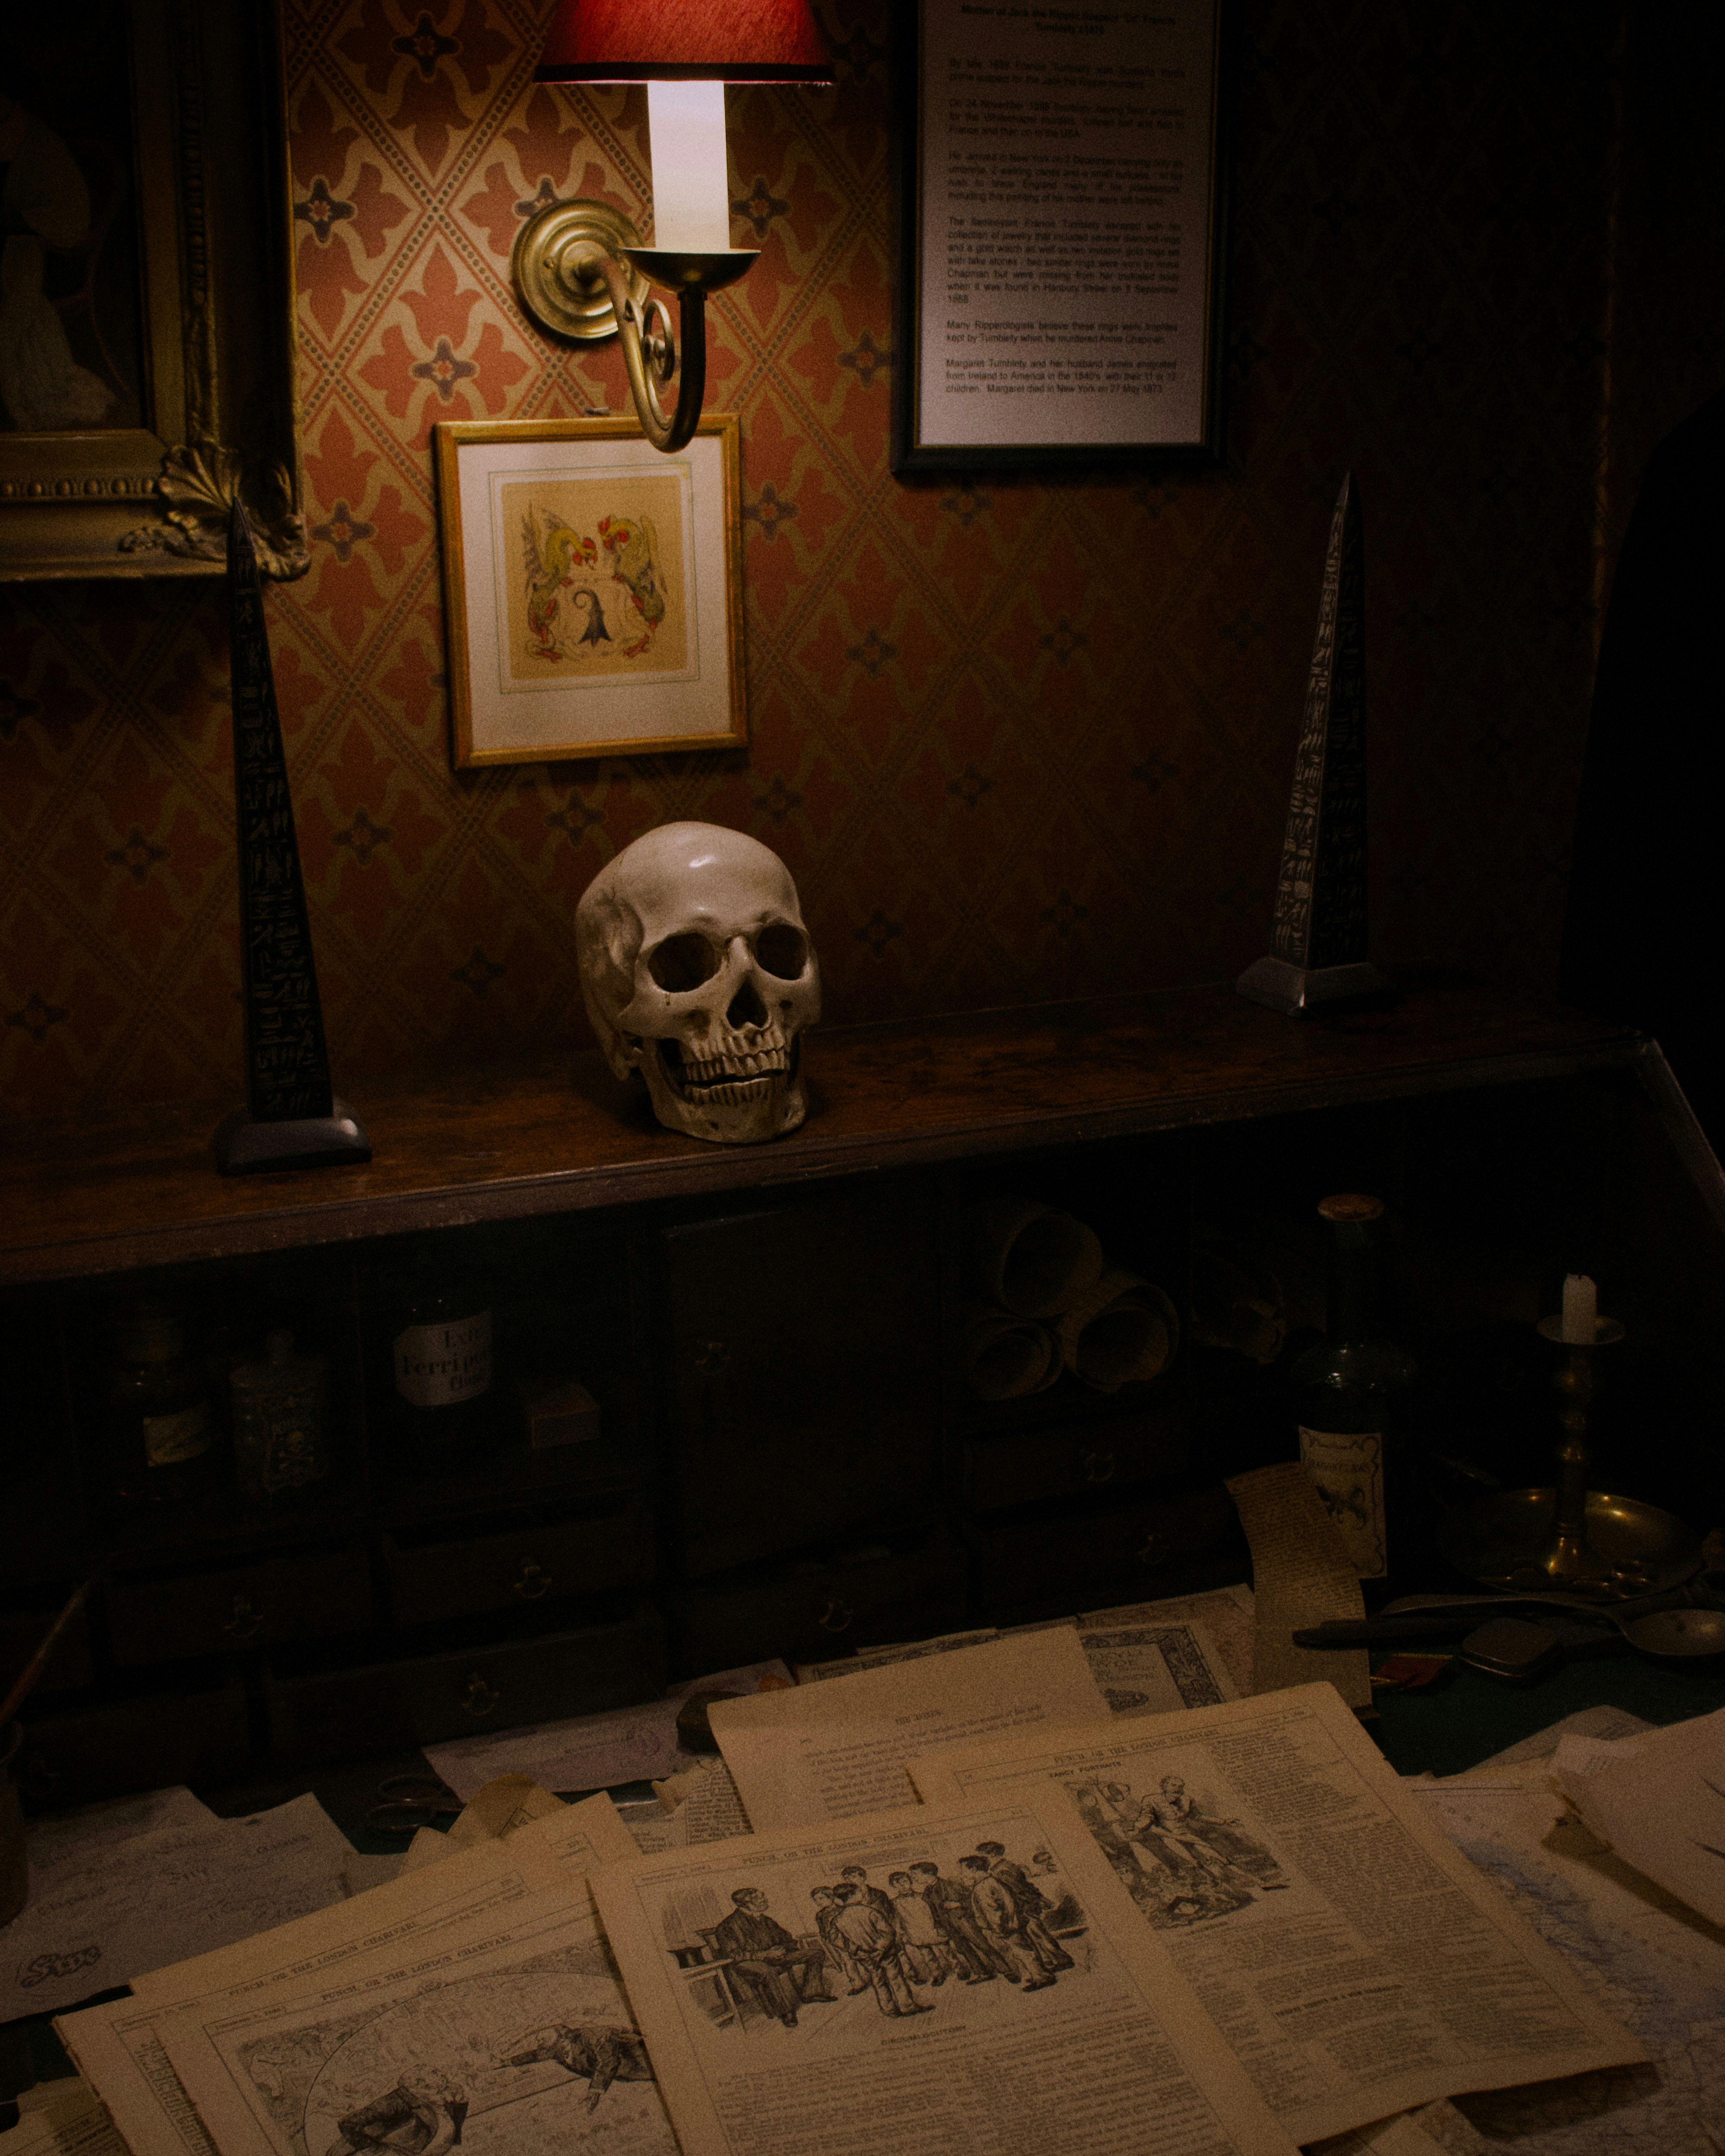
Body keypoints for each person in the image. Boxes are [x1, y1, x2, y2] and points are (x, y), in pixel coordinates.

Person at [711, 1887, 831, 2029]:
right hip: (748, 1962)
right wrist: (766, 1954)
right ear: (744, 1904)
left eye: (762, 1896)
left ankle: (812, 1993)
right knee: (768, 1971)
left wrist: (786, 1948)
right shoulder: (727, 1926)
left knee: (816, 1953)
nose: (764, 1900)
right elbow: (735, 1955)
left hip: (775, 1956)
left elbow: (786, 1938)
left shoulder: (766, 1920)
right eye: (758, 1898)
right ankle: (785, 2012)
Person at [497, 2024, 654, 2113]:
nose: (549, 2053)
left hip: (645, 2057)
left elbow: (609, 2061)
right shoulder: (559, 2051)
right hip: (634, 2073)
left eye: (551, 2047)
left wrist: (595, 2091)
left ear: (563, 2040)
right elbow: (536, 2055)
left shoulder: (591, 2037)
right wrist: (509, 2062)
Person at [829, 1881, 928, 2017]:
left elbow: (836, 1939)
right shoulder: (871, 1912)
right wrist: (879, 1950)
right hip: (885, 1954)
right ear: (853, 1895)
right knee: (896, 1979)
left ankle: (889, 2009)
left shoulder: (837, 1920)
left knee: (878, 1982)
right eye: (859, 1892)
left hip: (864, 1957)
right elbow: (888, 1933)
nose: (862, 1894)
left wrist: (856, 1949)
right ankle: (907, 2006)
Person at [975, 1840, 1074, 1974]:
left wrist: (1026, 1905)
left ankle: (1063, 1960)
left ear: (992, 1854)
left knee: (1039, 1935)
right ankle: (1049, 1961)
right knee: (1034, 1936)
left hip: (1024, 1907)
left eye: (982, 1856)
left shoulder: (1002, 1870)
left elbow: (1019, 1890)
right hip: (1021, 1907)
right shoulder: (1002, 1867)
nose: (981, 1860)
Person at [960, 1855, 1053, 1989]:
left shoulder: (982, 1887)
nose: (962, 1874)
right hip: (1010, 1924)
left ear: (974, 1869)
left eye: (964, 1870)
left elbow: (993, 1911)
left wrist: (999, 1929)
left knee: (1023, 1953)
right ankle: (1032, 1977)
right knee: (1021, 1952)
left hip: (1004, 1927)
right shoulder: (991, 1881)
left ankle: (1042, 1977)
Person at [329, 2071, 467, 2156]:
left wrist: (461, 2101)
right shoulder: (399, 2101)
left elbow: (451, 2138)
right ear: (421, 2083)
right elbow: (349, 2122)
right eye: (435, 2074)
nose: (442, 2075)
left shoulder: (436, 2107)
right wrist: (377, 2150)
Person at [908, 1860, 1001, 1983]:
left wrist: (958, 1904)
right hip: (949, 1925)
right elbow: (935, 1913)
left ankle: (1006, 1970)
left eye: (916, 1875)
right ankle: (982, 1973)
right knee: (964, 1950)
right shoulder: (928, 1892)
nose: (914, 1878)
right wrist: (940, 1927)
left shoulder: (950, 1885)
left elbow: (973, 1899)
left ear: (929, 1874)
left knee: (983, 1945)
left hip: (964, 1921)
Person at [888, 1869, 952, 1985]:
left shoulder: (923, 1896)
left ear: (910, 1882)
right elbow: (897, 1921)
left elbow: (935, 1913)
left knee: (946, 1952)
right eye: (898, 1883)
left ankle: (960, 1970)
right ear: (893, 1886)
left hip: (933, 1930)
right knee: (928, 1957)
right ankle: (938, 1975)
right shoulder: (895, 1903)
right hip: (915, 1934)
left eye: (905, 1881)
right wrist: (902, 1935)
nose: (903, 1885)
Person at [810, 1885, 868, 1995]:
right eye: (816, 1900)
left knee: (862, 1957)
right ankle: (858, 1984)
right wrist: (828, 1939)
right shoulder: (820, 1915)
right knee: (848, 1962)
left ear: (831, 1897)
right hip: (837, 1943)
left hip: (851, 1939)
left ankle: (871, 1977)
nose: (818, 1902)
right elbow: (823, 1930)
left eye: (821, 1898)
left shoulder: (842, 1909)